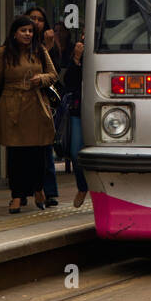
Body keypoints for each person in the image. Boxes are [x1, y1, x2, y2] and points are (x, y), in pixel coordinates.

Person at [0, 15, 58, 214]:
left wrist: (42, 79)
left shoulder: (39, 50)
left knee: (37, 153)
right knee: (16, 155)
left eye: (30, 31)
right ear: (14, 33)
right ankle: (17, 196)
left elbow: (53, 75)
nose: (28, 34)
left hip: (36, 105)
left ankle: (38, 189)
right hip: (12, 107)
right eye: (23, 31)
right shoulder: (4, 53)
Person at [27, 6, 60, 206]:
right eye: (32, 18)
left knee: (45, 146)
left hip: (44, 102)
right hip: (24, 102)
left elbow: (53, 72)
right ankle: (25, 191)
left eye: (39, 19)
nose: (36, 22)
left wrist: (49, 46)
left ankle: (49, 191)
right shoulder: (19, 44)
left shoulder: (48, 45)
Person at [61, 34, 87, 208]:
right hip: (80, 109)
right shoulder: (78, 56)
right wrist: (77, 59)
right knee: (76, 152)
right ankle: (83, 187)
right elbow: (69, 82)